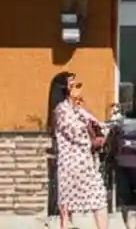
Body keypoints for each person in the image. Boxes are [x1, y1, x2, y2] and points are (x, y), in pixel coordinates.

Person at [53, 73, 109, 229]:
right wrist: (92, 135)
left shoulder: (78, 109)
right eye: (74, 85)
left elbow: (97, 123)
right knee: (67, 208)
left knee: (99, 198)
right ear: (66, 89)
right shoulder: (61, 110)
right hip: (71, 165)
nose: (78, 88)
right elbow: (75, 133)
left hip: (86, 163)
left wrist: (97, 129)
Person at [46, 72, 73, 229]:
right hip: (64, 147)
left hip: (69, 148)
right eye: (72, 83)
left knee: (67, 184)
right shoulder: (60, 107)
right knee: (63, 183)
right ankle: (63, 219)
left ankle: (66, 219)